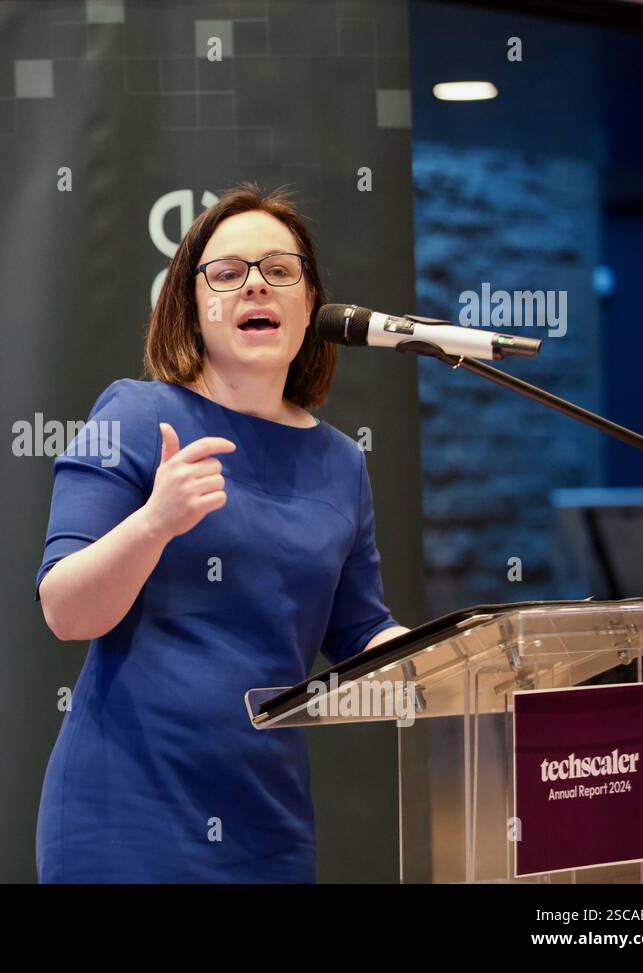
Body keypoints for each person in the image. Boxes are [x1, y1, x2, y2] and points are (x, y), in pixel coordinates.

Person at [33, 182, 410, 883]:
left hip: (269, 823)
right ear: (192, 308)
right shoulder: (140, 415)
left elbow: (360, 633)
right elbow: (65, 608)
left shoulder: (339, 461)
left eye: (279, 270)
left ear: (309, 309)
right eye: (228, 273)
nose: (255, 287)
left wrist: (456, 667)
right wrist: (155, 522)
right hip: (128, 813)